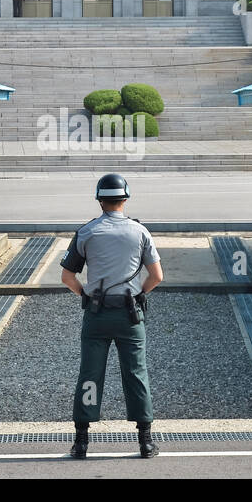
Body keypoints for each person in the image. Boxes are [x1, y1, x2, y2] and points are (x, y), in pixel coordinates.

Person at [60, 173, 164, 459]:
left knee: (90, 375)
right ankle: (145, 441)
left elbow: (67, 276)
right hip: (131, 316)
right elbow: (157, 276)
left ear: (99, 201)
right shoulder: (140, 232)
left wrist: (84, 294)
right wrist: (140, 294)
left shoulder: (87, 232)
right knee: (136, 374)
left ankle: (81, 442)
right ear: (125, 199)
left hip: (97, 315)